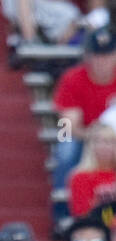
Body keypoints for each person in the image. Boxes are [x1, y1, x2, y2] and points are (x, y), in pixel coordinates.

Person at [52, 28, 116, 218]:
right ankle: (62, 211)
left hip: (113, 135)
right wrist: (98, 136)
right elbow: (68, 124)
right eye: (97, 55)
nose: (102, 61)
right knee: (65, 146)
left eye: (107, 55)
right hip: (84, 134)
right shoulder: (73, 78)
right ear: (88, 56)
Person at [69, 123, 116, 217]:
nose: (105, 147)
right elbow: (82, 214)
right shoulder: (80, 177)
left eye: (111, 142)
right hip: (97, 227)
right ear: (91, 146)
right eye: (100, 142)